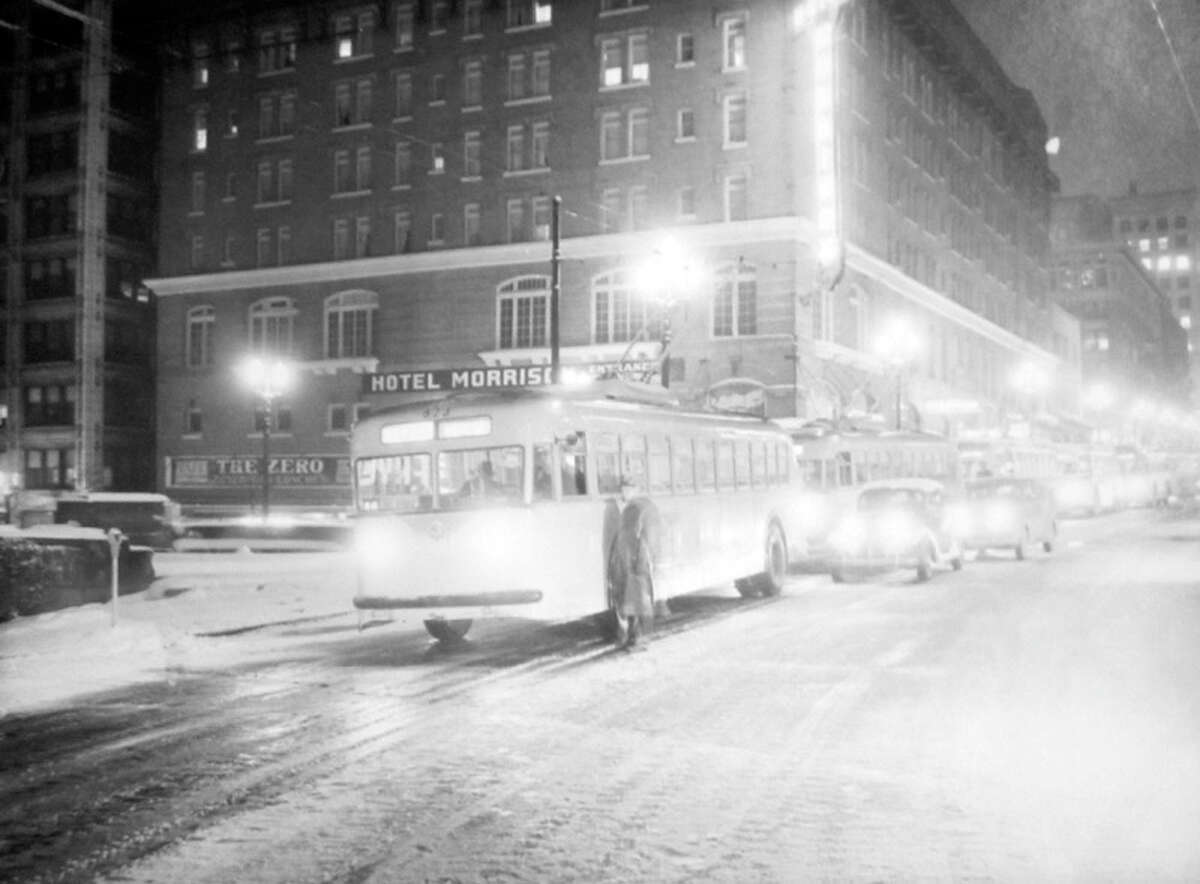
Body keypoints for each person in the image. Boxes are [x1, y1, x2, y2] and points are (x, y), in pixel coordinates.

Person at [607, 475, 660, 651]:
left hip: (637, 561)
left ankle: (638, 639)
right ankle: (633, 638)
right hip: (630, 561)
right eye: (623, 489)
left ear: (638, 490)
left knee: (637, 601)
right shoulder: (633, 507)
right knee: (632, 601)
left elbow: (646, 538)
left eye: (629, 489)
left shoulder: (639, 508)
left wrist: (641, 561)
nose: (625, 492)